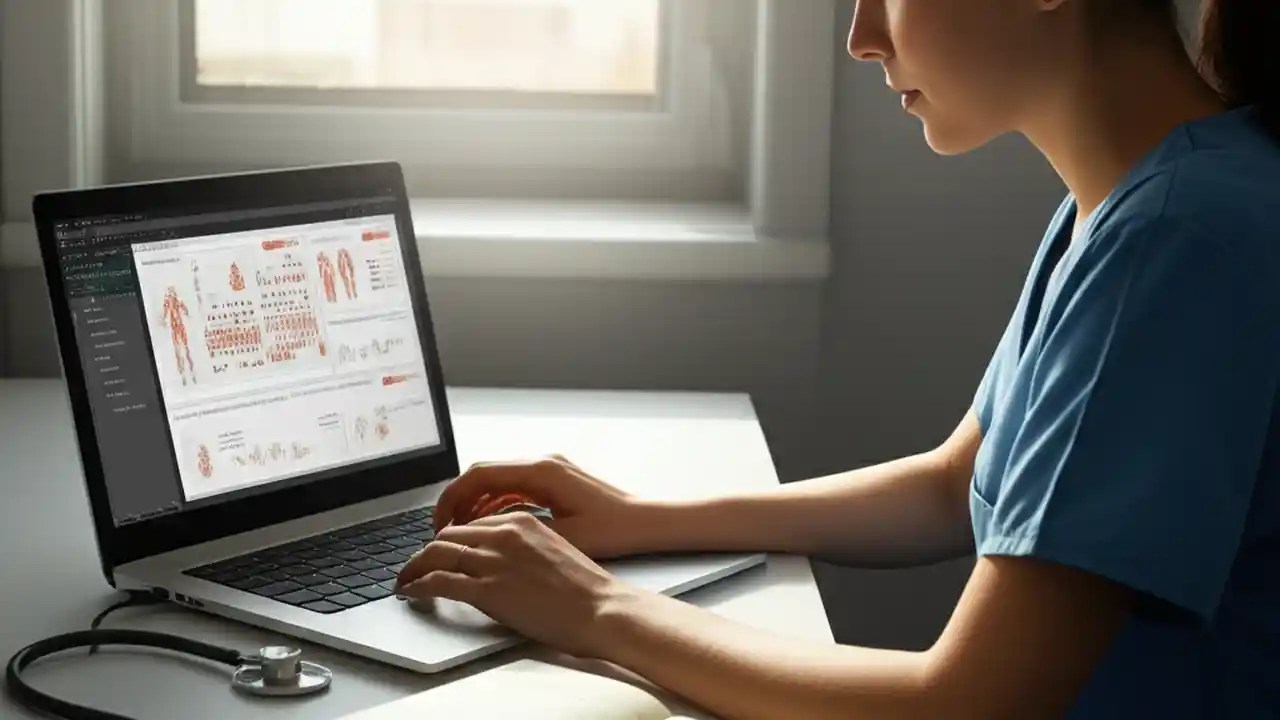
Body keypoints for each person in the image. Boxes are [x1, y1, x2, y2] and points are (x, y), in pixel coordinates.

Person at [395, 1, 1280, 717]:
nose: (862, 37)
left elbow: (965, 703)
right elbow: (954, 486)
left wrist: (595, 608)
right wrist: (641, 519)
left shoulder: (1175, 242)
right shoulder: (1139, 204)